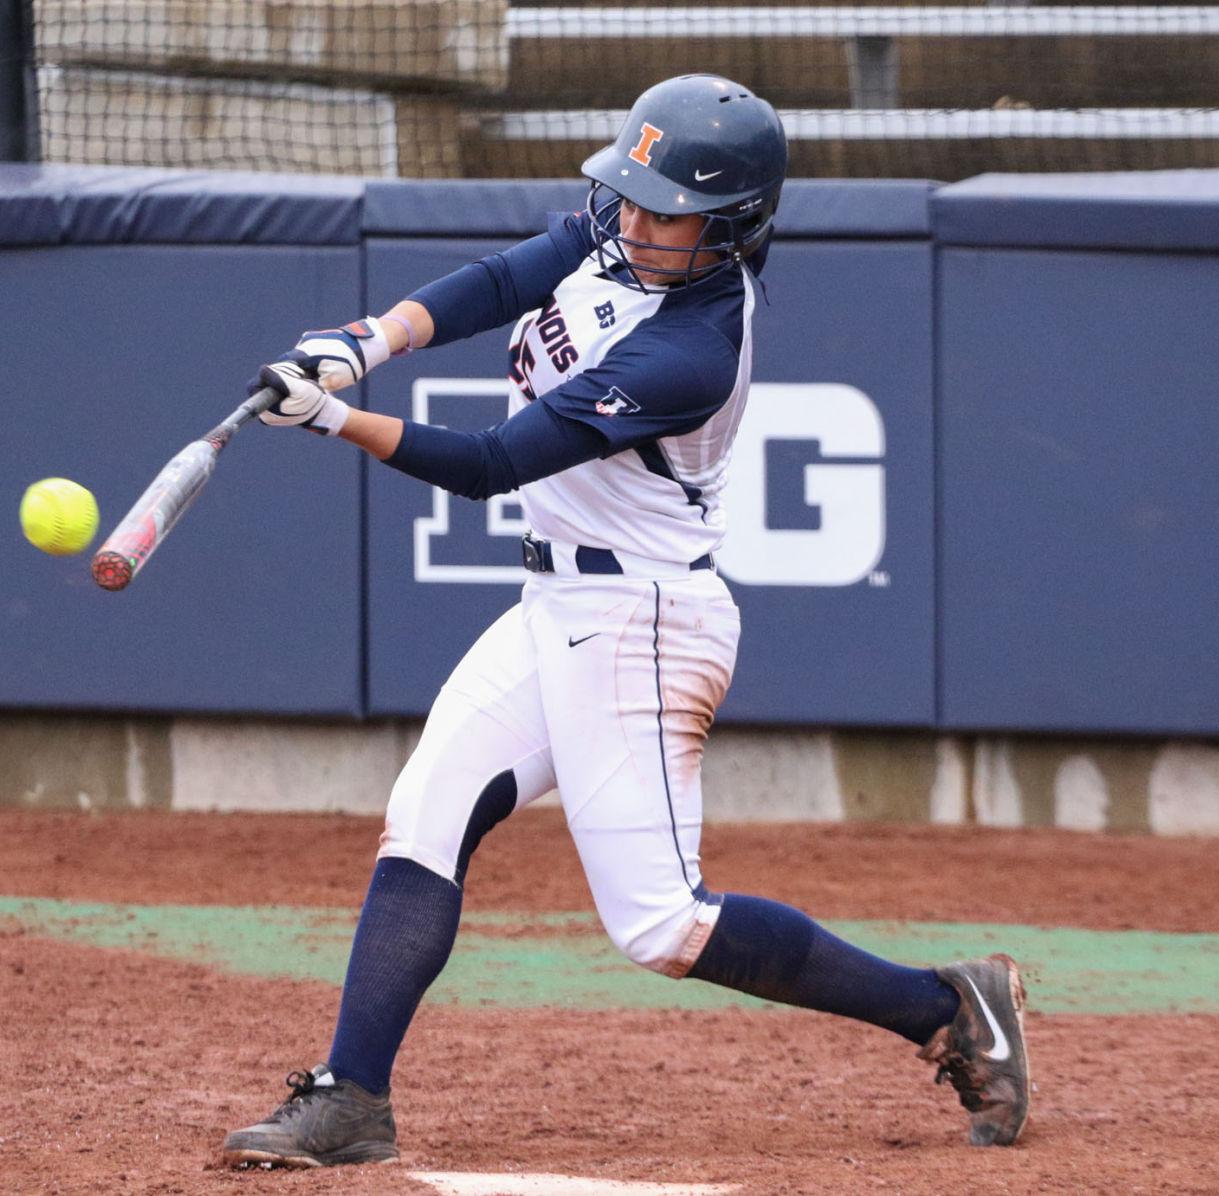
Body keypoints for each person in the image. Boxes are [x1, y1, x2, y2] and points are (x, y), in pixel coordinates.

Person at [217, 75, 1030, 1168]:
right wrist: (370, 336)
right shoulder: (628, 236)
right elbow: (507, 275)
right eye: (630, 198)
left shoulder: (692, 347)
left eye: (666, 210)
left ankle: (945, 1005)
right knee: (425, 815)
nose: (635, 222)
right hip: (556, 600)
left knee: (661, 925)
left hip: (640, 619)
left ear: (734, 225)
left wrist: (334, 415)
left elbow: (495, 462)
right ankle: (351, 1096)